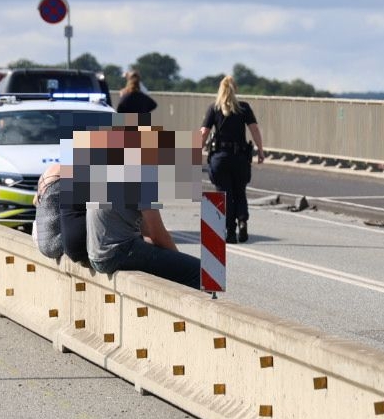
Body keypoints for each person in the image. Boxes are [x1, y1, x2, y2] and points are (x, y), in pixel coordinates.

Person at [86, 128, 200, 288]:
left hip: (97, 254)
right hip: (116, 253)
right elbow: (157, 234)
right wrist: (177, 259)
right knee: (198, 271)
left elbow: (147, 232)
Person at [198, 76, 264, 243]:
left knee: (224, 195)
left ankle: (230, 232)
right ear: (236, 89)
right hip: (240, 158)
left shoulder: (214, 108)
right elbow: (254, 130)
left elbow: (204, 132)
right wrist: (261, 151)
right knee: (240, 192)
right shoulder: (244, 108)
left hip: (220, 159)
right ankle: (242, 221)